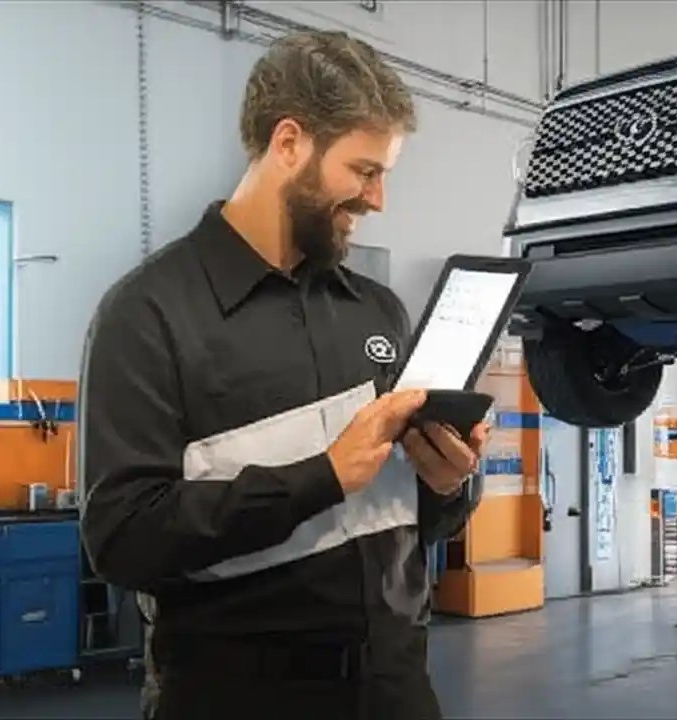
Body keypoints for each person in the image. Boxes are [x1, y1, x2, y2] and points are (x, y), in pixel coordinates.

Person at [78, 29, 489, 720]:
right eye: (364, 170)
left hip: (396, 691)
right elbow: (122, 540)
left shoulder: (380, 311)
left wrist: (450, 484)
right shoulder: (147, 314)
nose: (379, 199)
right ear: (289, 142)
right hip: (235, 698)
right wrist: (320, 476)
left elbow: (415, 518)